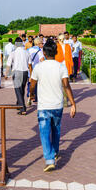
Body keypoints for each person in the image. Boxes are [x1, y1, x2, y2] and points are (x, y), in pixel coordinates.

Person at [30, 39, 76, 173]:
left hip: (44, 105)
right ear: (56, 52)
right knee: (56, 129)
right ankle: (55, 151)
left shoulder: (38, 67)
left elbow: (32, 84)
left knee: (44, 133)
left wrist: (31, 95)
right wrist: (73, 103)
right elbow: (66, 86)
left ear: (43, 53)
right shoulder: (61, 67)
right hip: (57, 104)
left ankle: (50, 160)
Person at [5, 37, 29, 115]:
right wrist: (31, 74)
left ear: (15, 44)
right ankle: (19, 104)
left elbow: (8, 64)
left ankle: (23, 108)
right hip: (25, 72)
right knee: (22, 89)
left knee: (18, 90)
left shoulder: (13, 53)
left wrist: (6, 74)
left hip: (17, 72)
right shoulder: (26, 52)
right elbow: (30, 64)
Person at [55, 34, 73, 105]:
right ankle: (60, 98)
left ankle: (65, 98)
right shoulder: (56, 46)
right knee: (58, 84)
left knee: (66, 84)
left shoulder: (68, 46)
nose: (61, 40)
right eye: (60, 39)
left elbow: (70, 56)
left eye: (62, 39)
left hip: (66, 66)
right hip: (58, 66)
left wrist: (71, 66)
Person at [27, 37, 45, 106]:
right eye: (41, 43)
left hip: (29, 70)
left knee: (30, 84)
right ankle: (36, 98)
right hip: (37, 70)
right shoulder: (39, 51)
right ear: (38, 43)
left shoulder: (28, 50)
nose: (42, 44)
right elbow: (42, 60)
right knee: (37, 85)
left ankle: (29, 96)